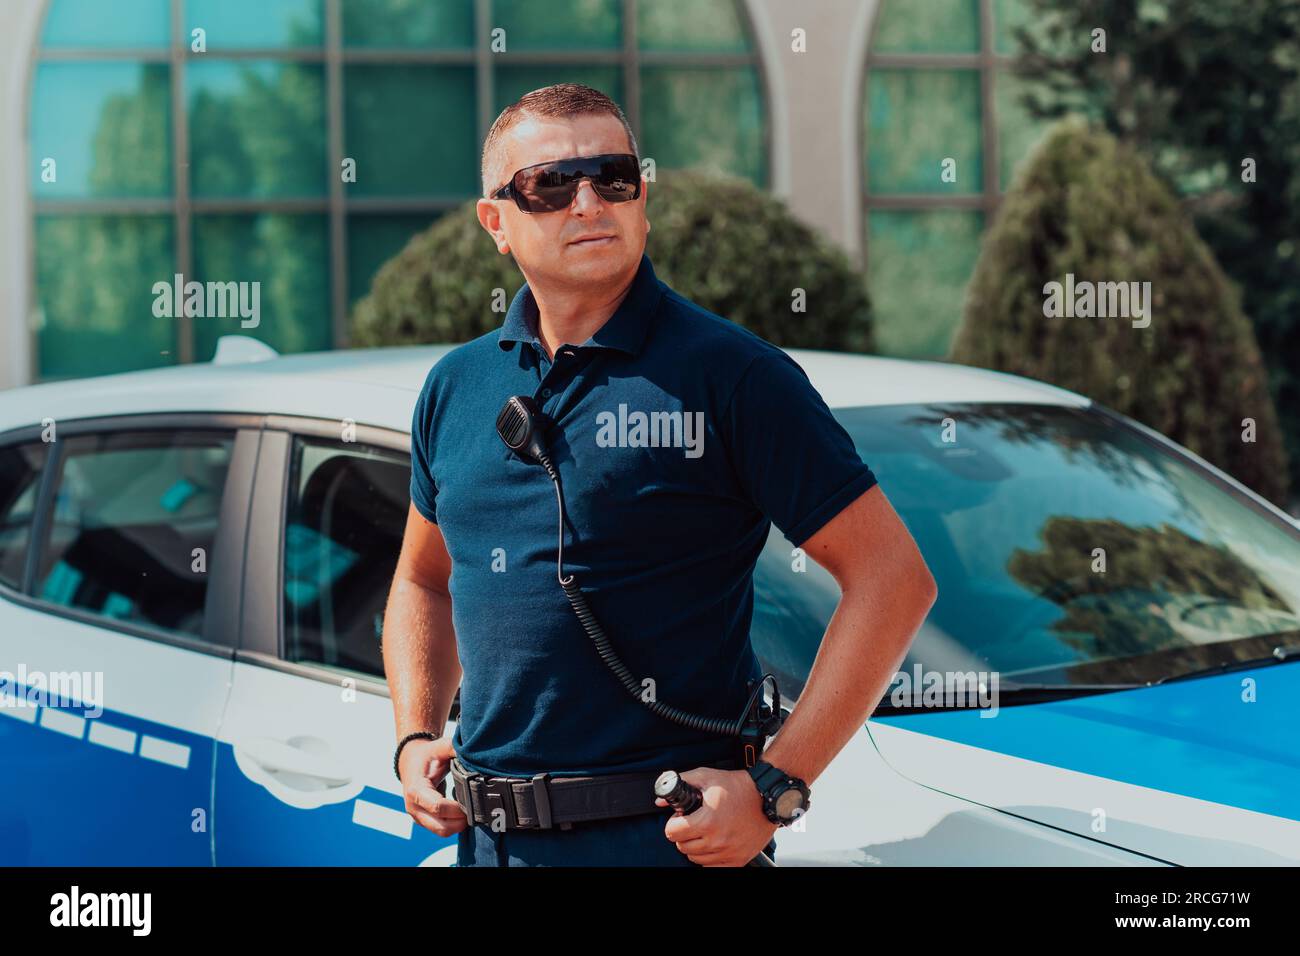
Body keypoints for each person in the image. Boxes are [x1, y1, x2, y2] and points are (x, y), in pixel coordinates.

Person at [383, 83, 937, 867]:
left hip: (670, 843)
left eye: (614, 176)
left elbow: (893, 578)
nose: (589, 201)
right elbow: (421, 581)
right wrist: (412, 735)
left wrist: (779, 787)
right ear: (496, 222)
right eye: (550, 184)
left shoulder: (735, 376)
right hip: (487, 846)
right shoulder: (455, 385)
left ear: (643, 198)